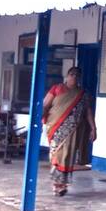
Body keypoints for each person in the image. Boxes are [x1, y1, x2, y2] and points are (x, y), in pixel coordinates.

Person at [41, 67, 96, 196]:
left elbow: (88, 112)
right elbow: (45, 105)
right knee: (57, 156)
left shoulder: (82, 94)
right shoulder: (56, 89)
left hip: (73, 130)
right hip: (56, 129)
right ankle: (56, 184)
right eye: (72, 74)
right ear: (67, 76)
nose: (74, 77)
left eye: (77, 75)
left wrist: (93, 128)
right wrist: (39, 120)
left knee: (67, 157)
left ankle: (62, 184)